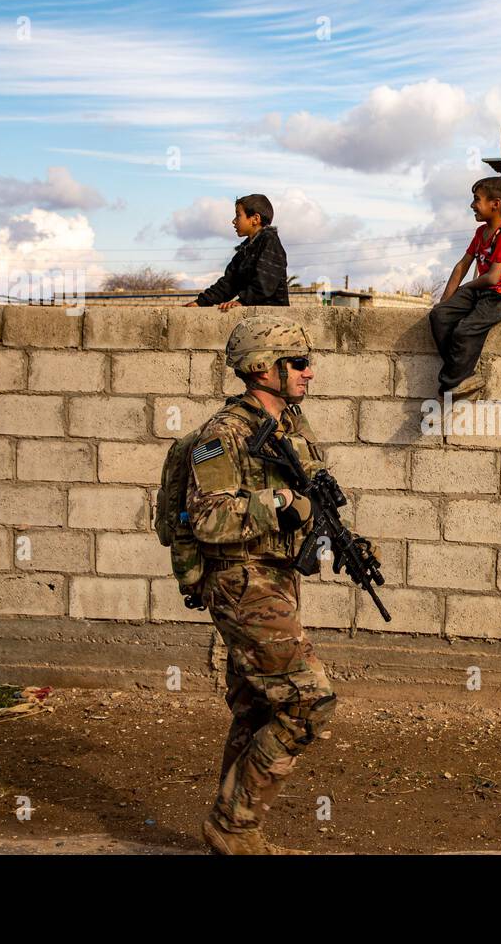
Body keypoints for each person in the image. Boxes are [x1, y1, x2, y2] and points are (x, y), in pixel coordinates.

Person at [185, 316, 332, 854]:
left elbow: (313, 494)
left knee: (258, 707)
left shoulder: (293, 425)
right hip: (241, 580)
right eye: (297, 362)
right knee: (308, 700)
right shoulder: (224, 434)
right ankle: (232, 824)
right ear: (260, 367)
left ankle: (235, 830)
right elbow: (209, 519)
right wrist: (282, 505)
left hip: (277, 576)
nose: (308, 372)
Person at [428, 175, 501, 400]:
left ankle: (450, 387)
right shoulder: (481, 233)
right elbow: (462, 266)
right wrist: (446, 303)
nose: (472, 205)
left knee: (464, 329)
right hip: (482, 291)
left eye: (477, 200)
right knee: (439, 317)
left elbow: (492, 278)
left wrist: (466, 288)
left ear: (495, 204)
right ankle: (463, 377)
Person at [183, 194, 290, 311]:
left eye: (238, 215)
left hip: (273, 317)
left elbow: (265, 283)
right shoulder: (245, 249)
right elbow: (229, 283)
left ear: (255, 219)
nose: (234, 221)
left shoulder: (270, 242)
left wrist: (243, 301)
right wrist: (201, 302)